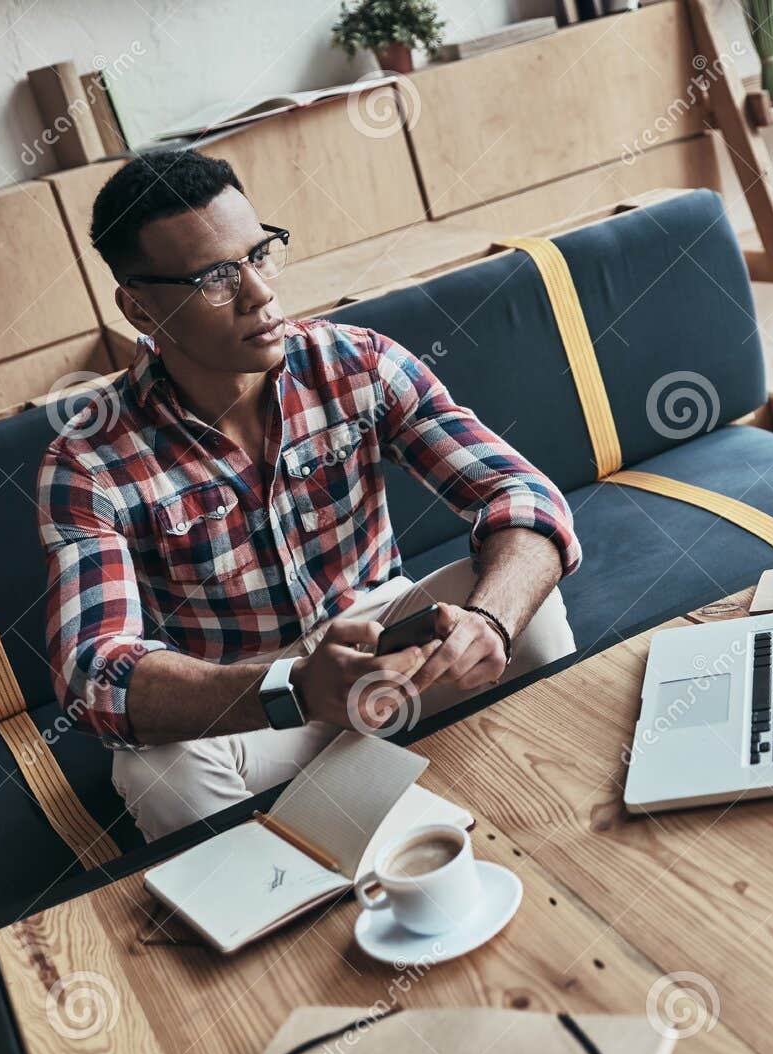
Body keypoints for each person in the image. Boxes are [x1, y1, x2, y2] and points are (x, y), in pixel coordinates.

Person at [37, 150, 579, 840]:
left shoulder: (356, 361)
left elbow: (519, 492)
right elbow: (93, 674)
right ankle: (275, 904)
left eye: (261, 255)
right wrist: (291, 686)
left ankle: (541, 815)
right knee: (153, 772)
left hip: (390, 646)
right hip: (248, 699)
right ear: (140, 307)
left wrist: (491, 623)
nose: (260, 294)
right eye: (215, 278)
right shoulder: (86, 462)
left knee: (522, 596)